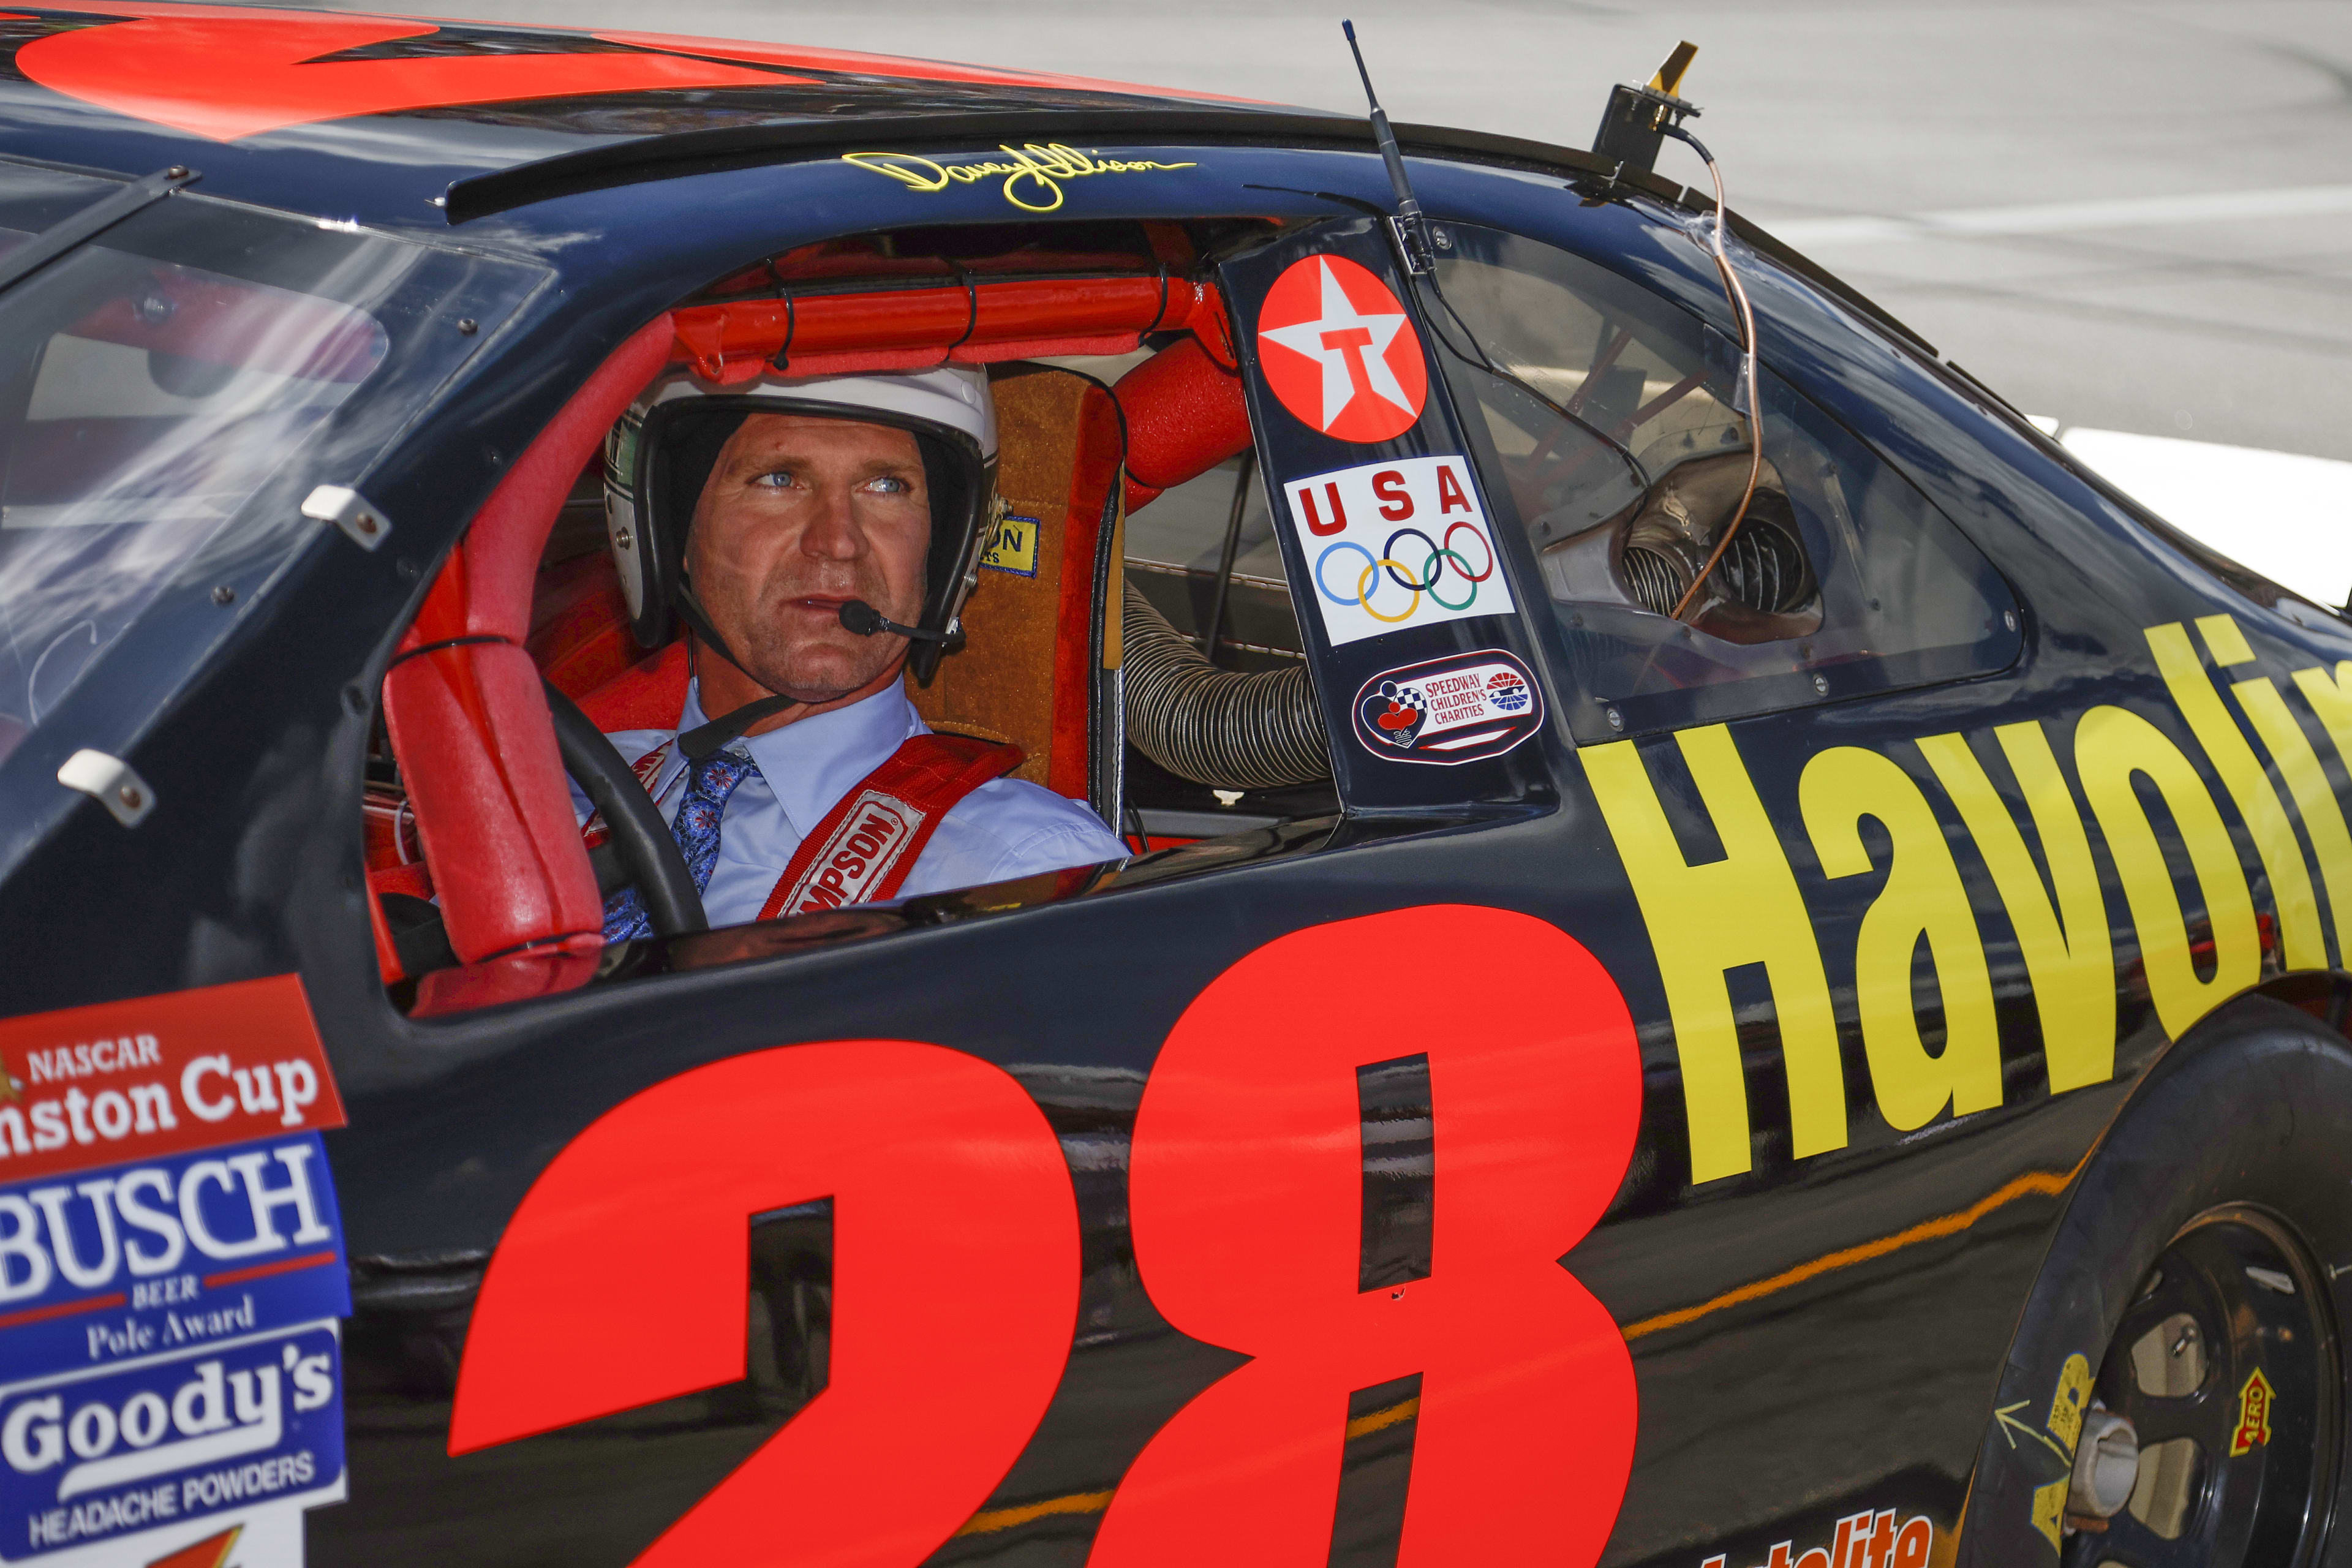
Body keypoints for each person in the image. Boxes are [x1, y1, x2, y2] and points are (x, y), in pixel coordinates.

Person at [589, 363, 1125, 937]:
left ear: (943, 554)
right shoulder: (554, 802)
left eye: (887, 487)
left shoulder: (1026, 871)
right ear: (670, 532)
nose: (837, 542)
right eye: (779, 478)